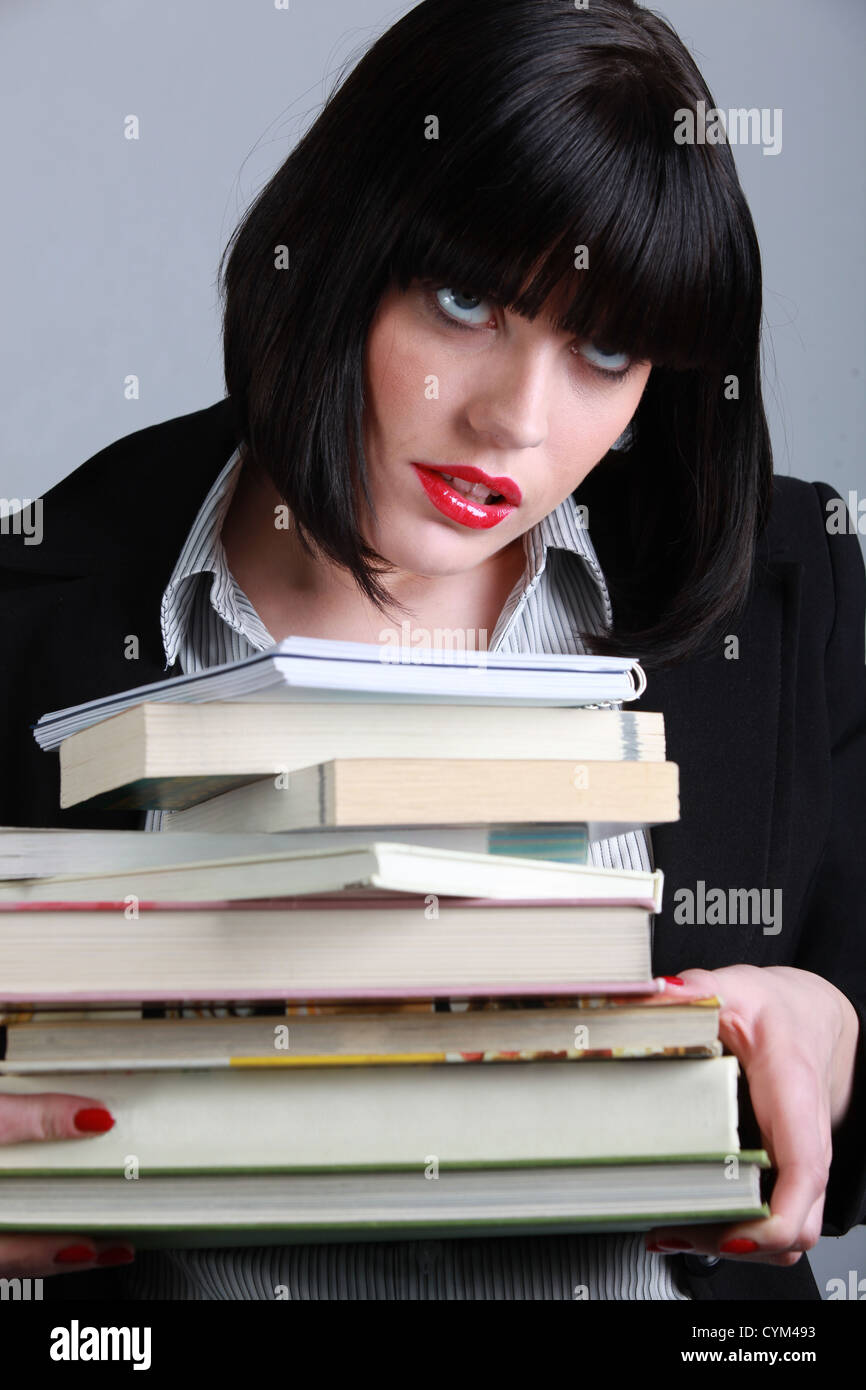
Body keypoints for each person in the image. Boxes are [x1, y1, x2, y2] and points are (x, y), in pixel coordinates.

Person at [0, 0, 863, 1302]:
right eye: (464, 301)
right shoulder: (35, 605)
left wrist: (827, 1030)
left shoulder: (786, 588)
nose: (514, 418)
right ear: (338, 254)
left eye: (605, 347)